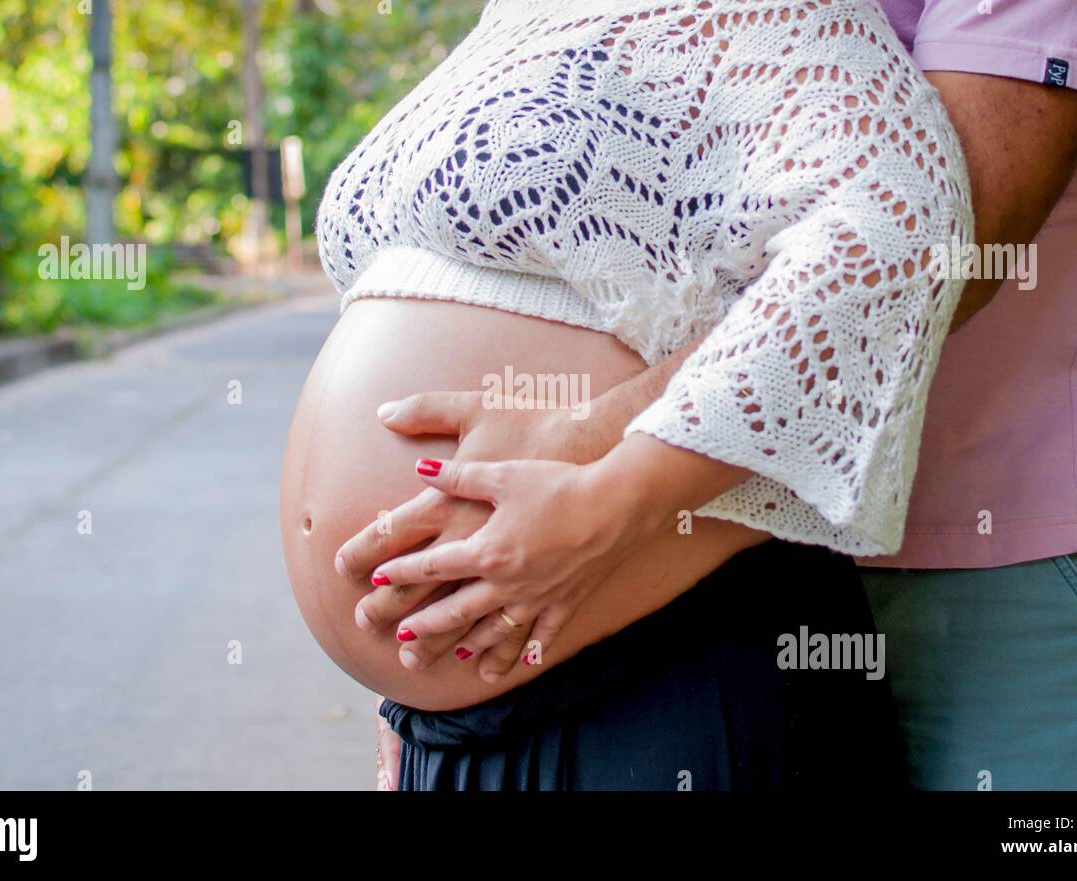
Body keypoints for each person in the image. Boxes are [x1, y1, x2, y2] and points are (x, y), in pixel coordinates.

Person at [355, 0, 1077, 790]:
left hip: (1016, 554)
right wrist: (429, 667)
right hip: (738, 545)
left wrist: (590, 448)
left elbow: (948, 242)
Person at [280, 0, 971, 789]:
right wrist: (407, 676)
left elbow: (900, 224)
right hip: (469, 699)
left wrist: (612, 500)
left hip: (656, 663)